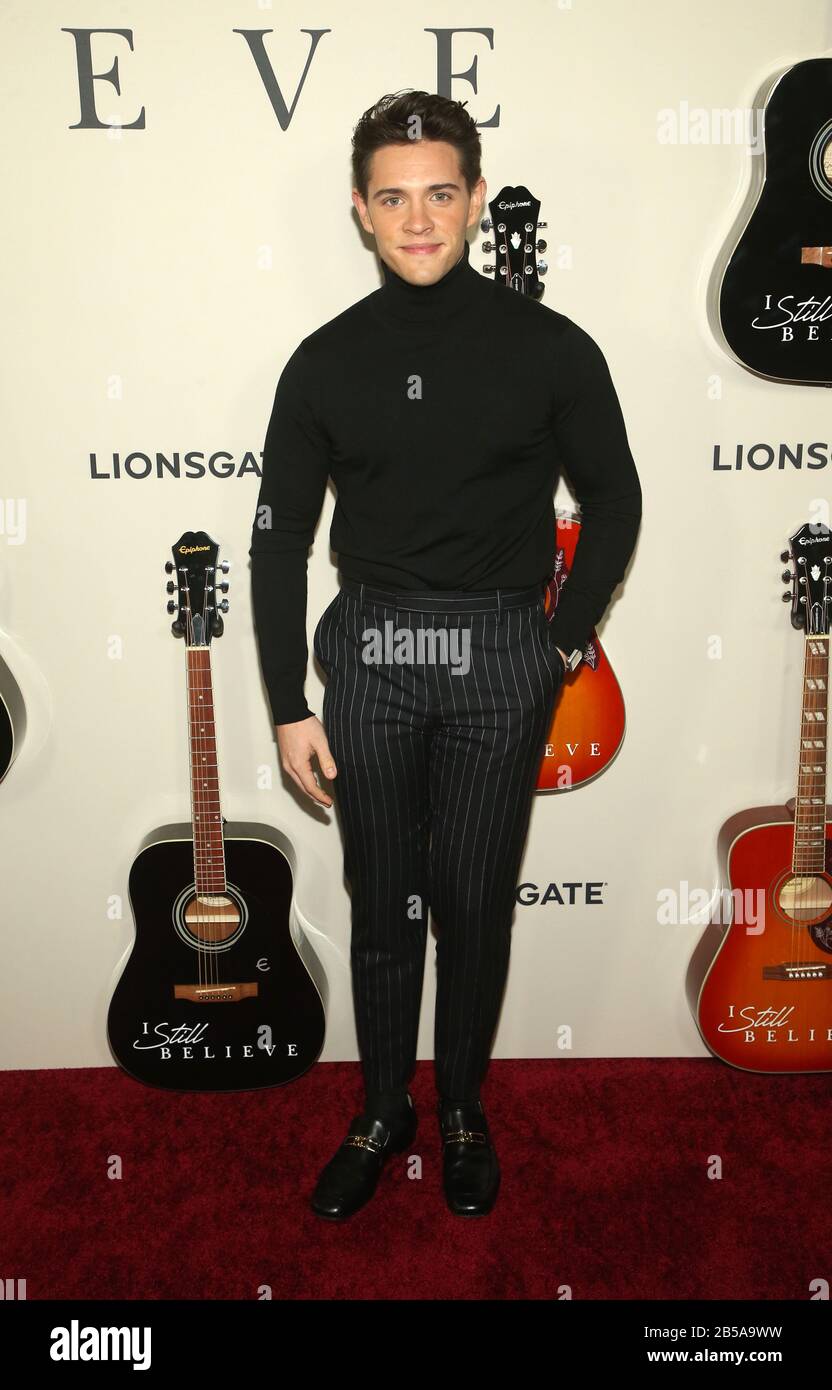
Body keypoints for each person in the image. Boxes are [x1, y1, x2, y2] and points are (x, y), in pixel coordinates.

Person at [249, 90, 642, 1219]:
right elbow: (276, 542)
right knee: (384, 903)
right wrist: (286, 701)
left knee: (472, 901)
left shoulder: (551, 349)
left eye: (438, 193)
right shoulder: (323, 362)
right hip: (369, 655)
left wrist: (559, 645)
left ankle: (462, 1106)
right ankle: (382, 1109)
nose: (416, 218)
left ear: (472, 199)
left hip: (502, 656)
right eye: (391, 197)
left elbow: (613, 500)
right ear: (361, 213)